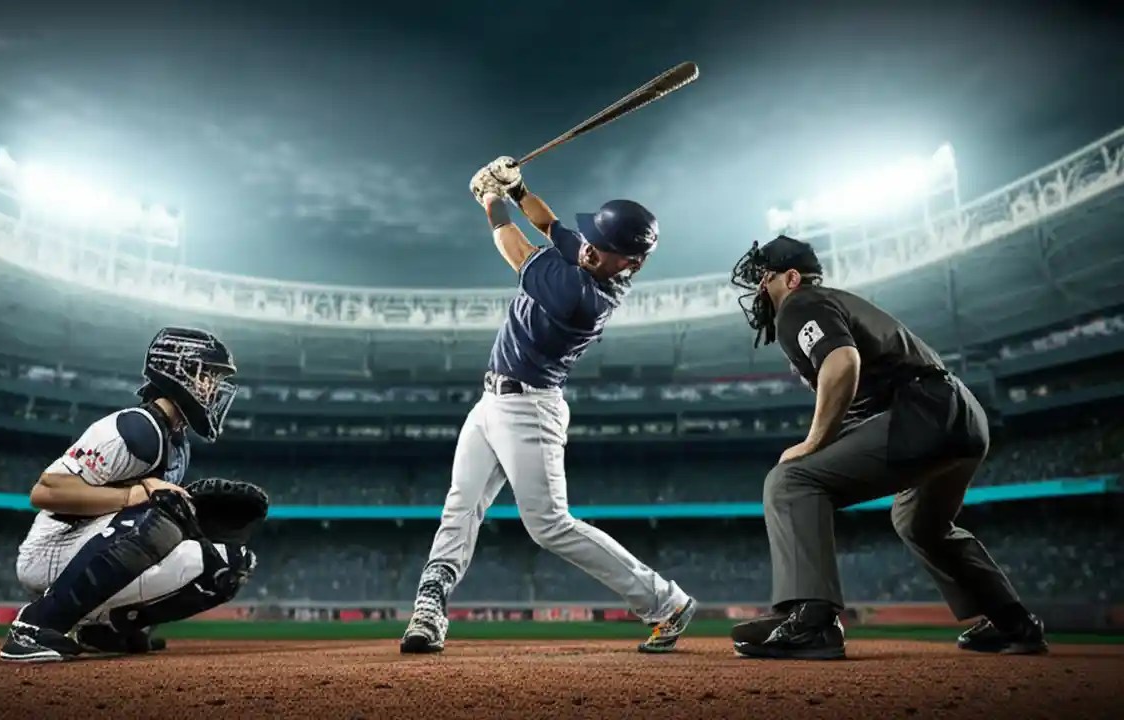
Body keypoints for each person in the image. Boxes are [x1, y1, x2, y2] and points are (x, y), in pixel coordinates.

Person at [399, 157, 696, 655]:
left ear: (630, 262)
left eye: (602, 248)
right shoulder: (594, 256)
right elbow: (547, 223)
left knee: (549, 524)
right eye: (594, 239)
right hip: (492, 400)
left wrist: (489, 201)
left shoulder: (585, 296)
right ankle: (430, 606)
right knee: (460, 505)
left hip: (529, 409)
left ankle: (665, 602)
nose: (589, 249)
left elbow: (513, 247)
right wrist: (517, 188)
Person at [726, 235, 1047, 660]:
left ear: (791, 277)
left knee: (790, 481)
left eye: (765, 279)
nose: (760, 289)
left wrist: (814, 442)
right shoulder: (832, 302)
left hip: (923, 412)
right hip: (960, 414)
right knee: (918, 521)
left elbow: (843, 364)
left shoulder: (800, 304)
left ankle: (812, 618)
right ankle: (1013, 622)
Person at [0, 327, 259, 663]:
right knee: (158, 516)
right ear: (178, 371)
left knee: (227, 565)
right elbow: (46, 491)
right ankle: (34, 626)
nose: (212, 387)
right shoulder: (137, 428)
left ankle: (108, 630)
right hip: (52, 550)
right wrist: (135, 495)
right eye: (207, 374)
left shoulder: (175, 442)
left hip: (102, 541)